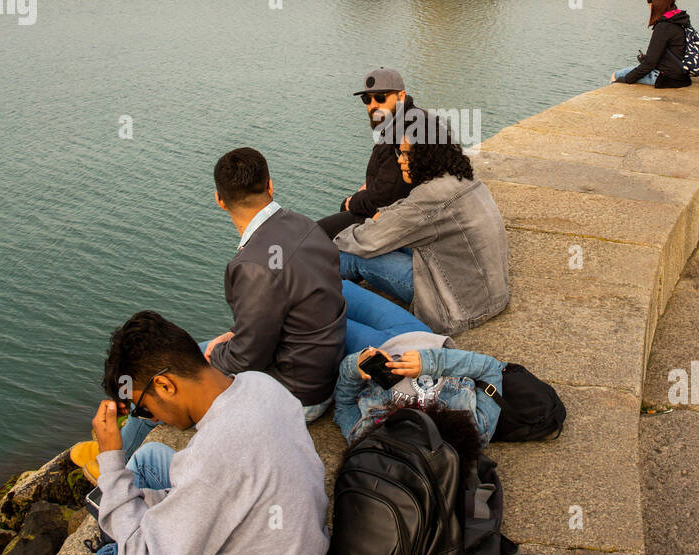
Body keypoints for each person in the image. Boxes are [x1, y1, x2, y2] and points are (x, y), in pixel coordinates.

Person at [23, 312, 329, 555]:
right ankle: (127, 533)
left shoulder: (214, 455)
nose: (149, 417)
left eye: (143, 407)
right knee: (151, 457)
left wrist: (109, 458)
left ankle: (120, 546)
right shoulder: (258, 384)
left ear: (166, 385)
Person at [202, 148, 347, 424]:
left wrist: (218, 353)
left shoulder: (252, 266)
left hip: (298, 396)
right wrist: (236, 333)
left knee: (179, 366)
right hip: (322, 368)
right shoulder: (303, 223)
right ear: (270, 185)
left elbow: (246, 359)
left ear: (220, 200)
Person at [334, 122, 510, 337]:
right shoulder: (462, 177)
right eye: (399, 152)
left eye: (406, 154)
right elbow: (401, 221)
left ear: (427, 156)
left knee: (356, 254)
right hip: (487, 293)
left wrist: (336, 240)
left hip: (457, 306)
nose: (400, 160)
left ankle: (307, 281)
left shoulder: (430, 198)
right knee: (390, 240)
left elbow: (367, 240)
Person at [334, 339, 505, 448]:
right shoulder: (472, 433)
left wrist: (356, 364)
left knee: (328, 304)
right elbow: (491, 368)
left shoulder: (364, 438)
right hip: (425, 338)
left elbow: (343, 405)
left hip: (379, 345)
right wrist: (430, 362)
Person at [316, 67, 420, 240]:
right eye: (367, 99)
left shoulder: (403, 133)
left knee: (311, 235)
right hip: (391, 213)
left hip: (392, 221)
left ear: (401, 96)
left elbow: (385, 196)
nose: (373, 106)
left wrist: (352, 201)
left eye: (380, 97)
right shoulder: (405, 121)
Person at [611, 0, 692, 87]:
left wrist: (627, 79)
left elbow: (650, 63)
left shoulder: (663, 26)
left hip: (666, 77)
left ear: (657, 5)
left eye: (650, 5)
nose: (650, 9)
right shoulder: (680, 21)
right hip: (682, 75)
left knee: (616, 75)